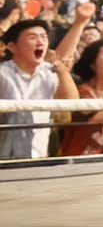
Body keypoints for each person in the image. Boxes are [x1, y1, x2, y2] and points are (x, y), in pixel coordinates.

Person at [0, 17, 79, 158]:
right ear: (12, 46)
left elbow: (72, 102)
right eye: (33, 37)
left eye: (44, 37)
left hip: (39, 155)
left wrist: (62, 71)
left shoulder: (51, 72)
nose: (40, 41)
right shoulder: (2, 73)